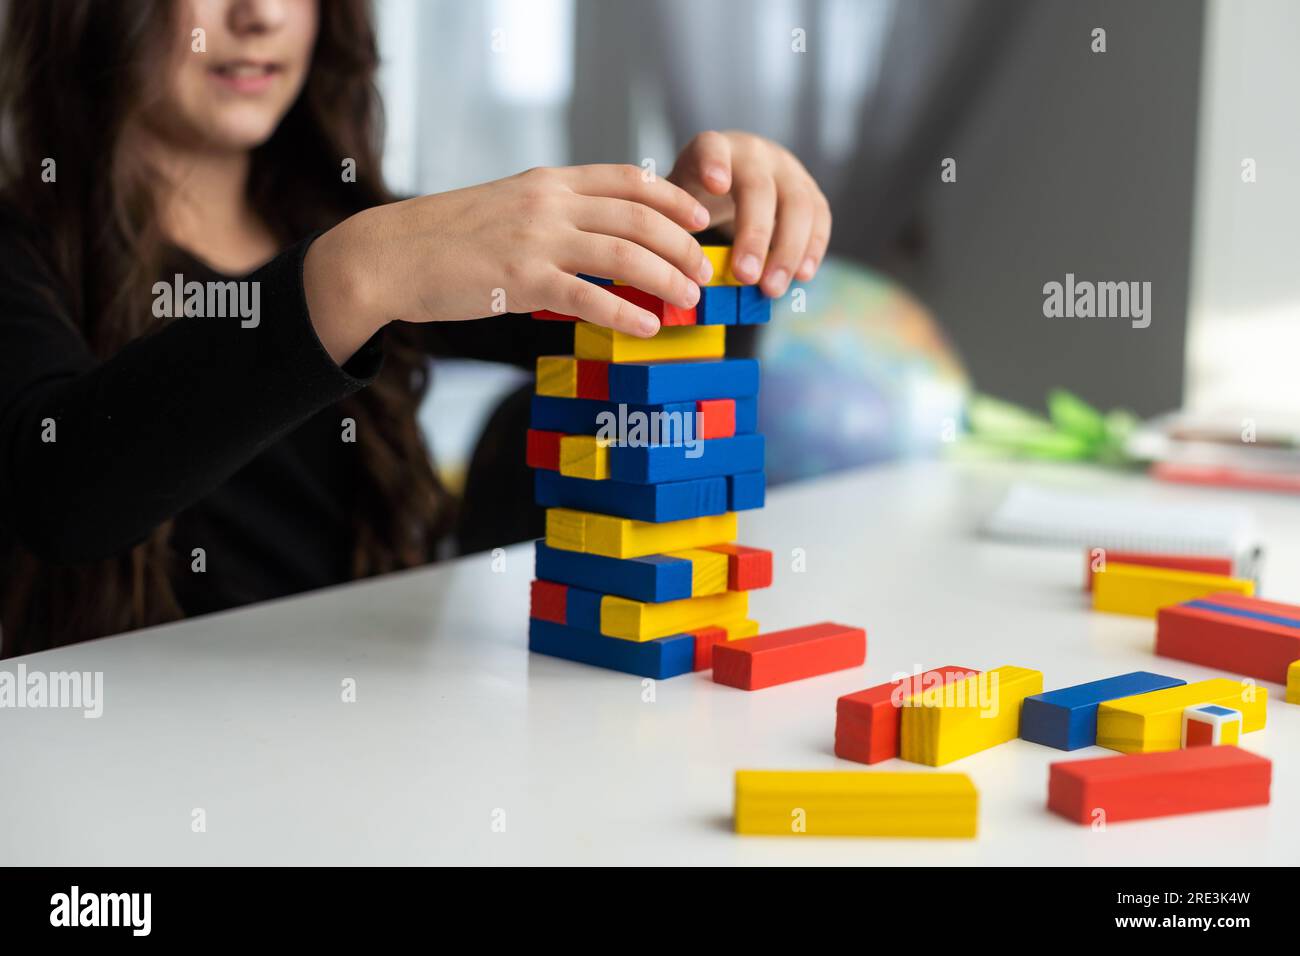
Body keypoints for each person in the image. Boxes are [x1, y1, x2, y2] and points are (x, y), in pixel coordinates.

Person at [0, 0, 832, 657]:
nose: (260, 14)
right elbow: (60, 493)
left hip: (381, 735)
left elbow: (633, 354)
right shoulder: (23, 245)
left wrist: (707, 241)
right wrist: (356, 273)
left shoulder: (338, 215)